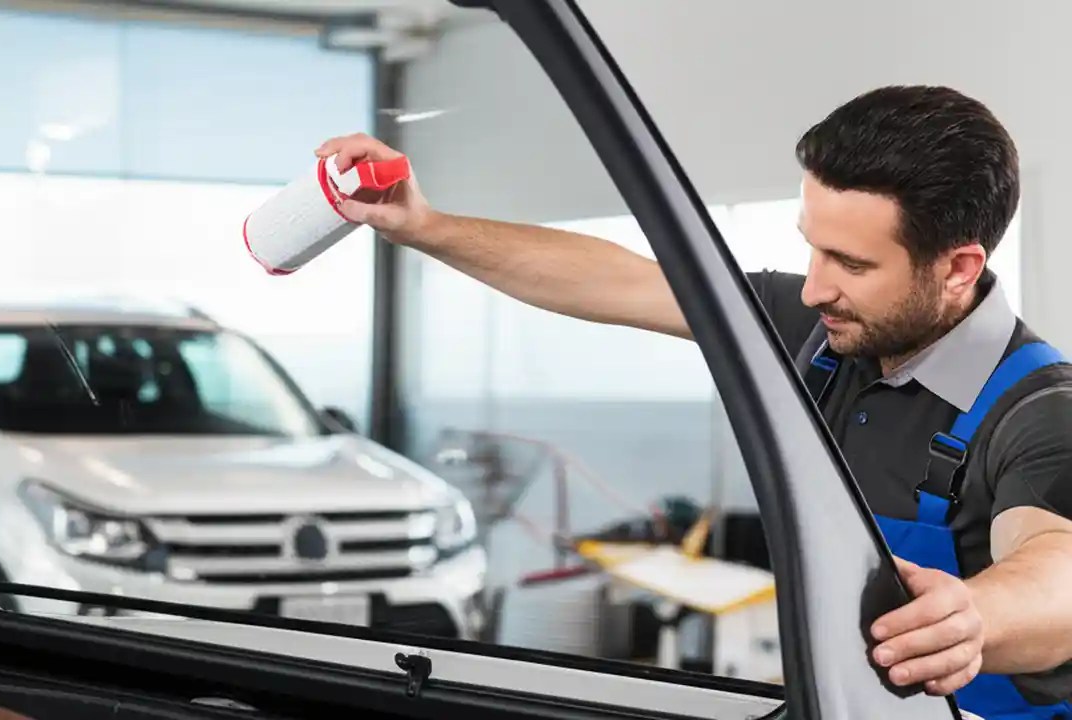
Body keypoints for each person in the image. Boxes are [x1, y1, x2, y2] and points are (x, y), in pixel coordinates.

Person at [316, 85, 1072, 717]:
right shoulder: (817, 330)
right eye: (811, 245)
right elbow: (615, 280)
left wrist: (975, 617)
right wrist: (425, 225)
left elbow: (1055, 569)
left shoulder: (1042, 410)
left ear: (958, 266)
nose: (813, 287)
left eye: (849, 262)